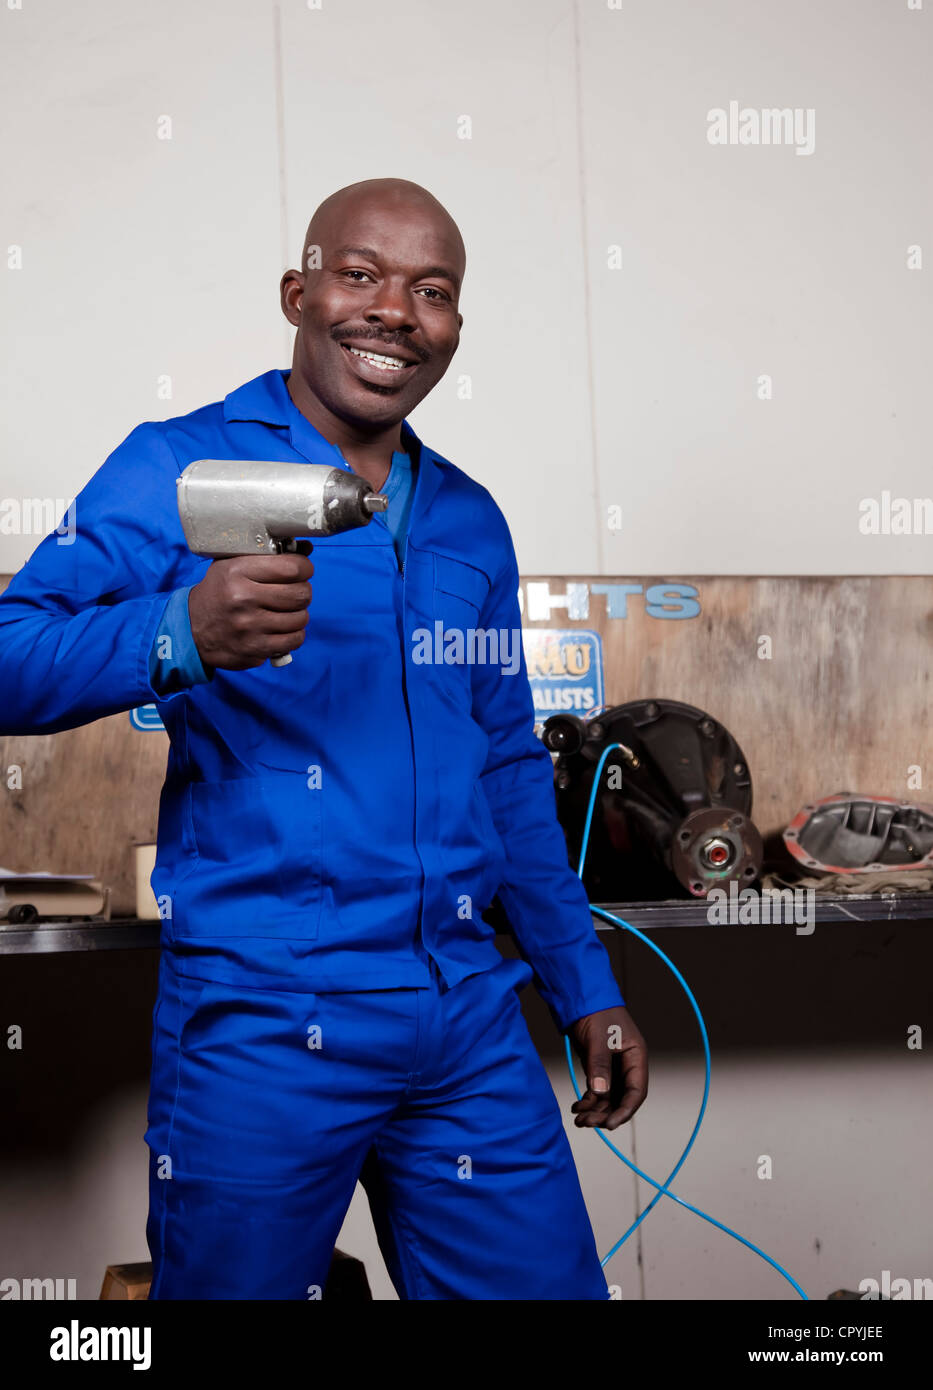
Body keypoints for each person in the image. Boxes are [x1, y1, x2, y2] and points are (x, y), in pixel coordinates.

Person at [0, 177, 648, 1300]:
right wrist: (179, 631)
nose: (396, 311)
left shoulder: (467, 517)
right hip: (265, 1011)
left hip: (463, 1013)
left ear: (455, 327)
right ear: (299, 294)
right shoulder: (184, 465)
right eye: (361, 275)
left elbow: (504, 769)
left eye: (432, 291)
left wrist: (582, 982)